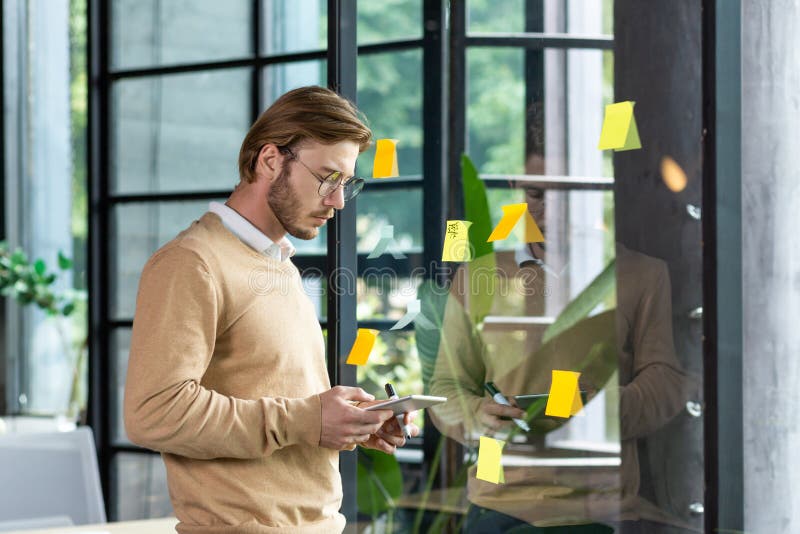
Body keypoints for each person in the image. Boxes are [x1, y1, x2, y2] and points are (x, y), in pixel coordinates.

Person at [124, 86, 419, 533]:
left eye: (347, 184)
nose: (338, 201)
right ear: (270, 160)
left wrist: (351, 422)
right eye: (327, 178)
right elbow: (153, 413)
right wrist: (306, 419)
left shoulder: (277, 264)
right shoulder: (192, 263)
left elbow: (277, 400)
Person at [427, 186, 692, 532]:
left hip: (596, 506)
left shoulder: (641, 274)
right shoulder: (477, 277)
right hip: (496, 501)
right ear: (515, 187)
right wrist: (477, 415)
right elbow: (446, 387)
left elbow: (667, 379)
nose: (550, 213)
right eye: (537, 194)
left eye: (567, 195)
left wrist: (607, 410)